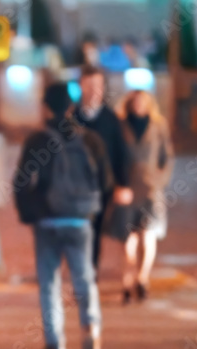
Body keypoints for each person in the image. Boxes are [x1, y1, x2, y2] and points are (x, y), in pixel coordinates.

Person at [13, 83, 113, 349]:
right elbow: (105, 182)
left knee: (49, 283)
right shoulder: (89, 139)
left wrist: (30, 214)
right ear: (71, 108)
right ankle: (91, 327)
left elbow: (21, 182)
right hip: (80, 219)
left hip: (48, 219)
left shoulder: (37, 139)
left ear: (45, 107)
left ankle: (55, 345)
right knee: (84, 279)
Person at [112, 90, 174, 304]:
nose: (138, 105)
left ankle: (143, 279)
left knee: (148, 235)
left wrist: (160, 179)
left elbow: (167, 156)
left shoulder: (158, 125)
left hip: (151, 189)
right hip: (127, 188)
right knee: (127, 239)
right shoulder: (120, 125)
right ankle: (127, 282)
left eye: (142, 102)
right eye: (135, 102)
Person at [73, 66, 134, 273]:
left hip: (101, 186)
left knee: (94, 230)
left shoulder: (111, 119)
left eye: (98, 85)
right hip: (73, 186)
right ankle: (80, 270)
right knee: (76, 230)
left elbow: (121, 153)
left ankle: (90, 272)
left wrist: (123, 184)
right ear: (81, 86)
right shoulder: (71, 117)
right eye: (89, 85)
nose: (93, 90)